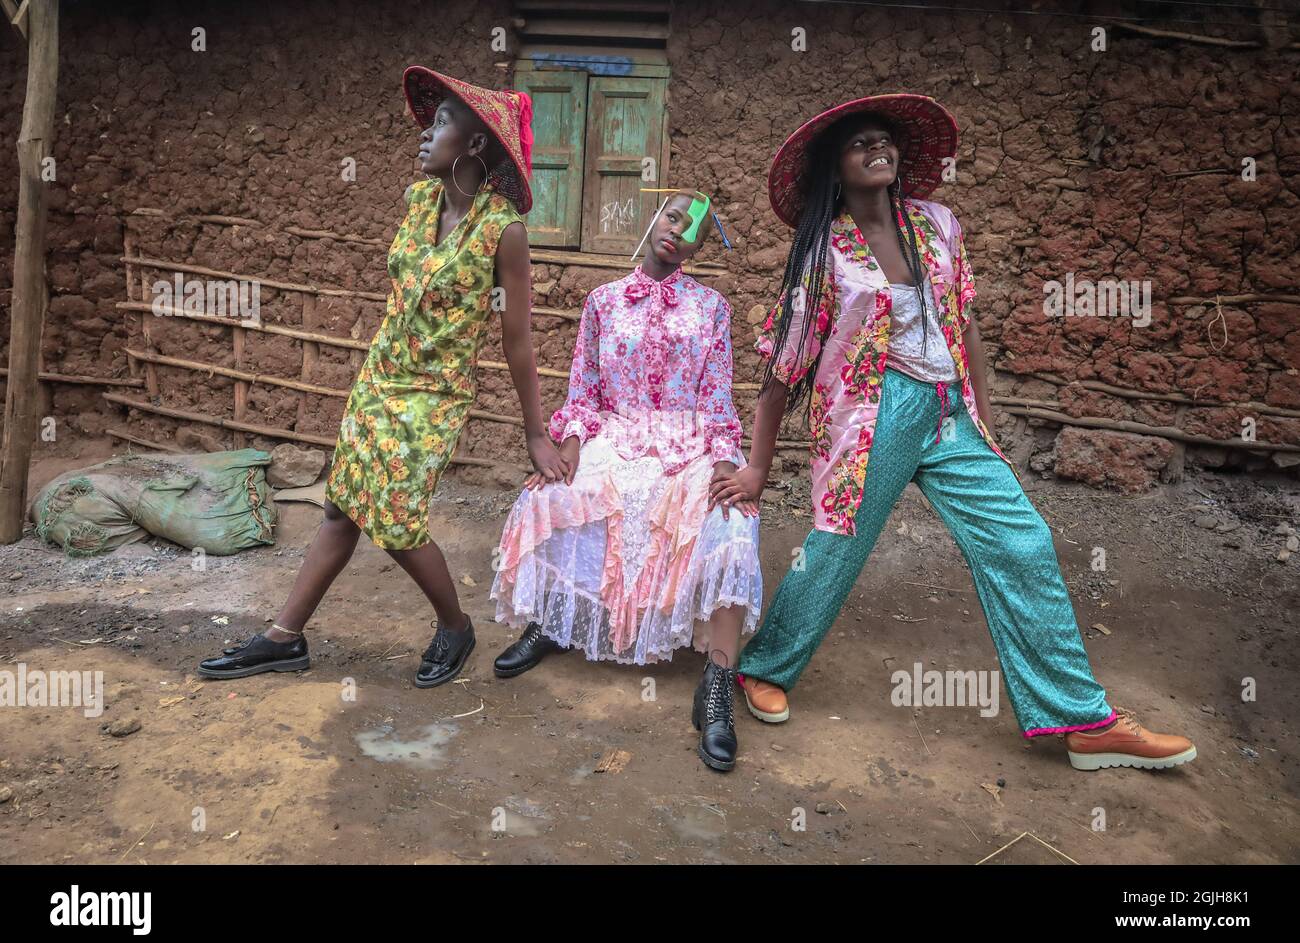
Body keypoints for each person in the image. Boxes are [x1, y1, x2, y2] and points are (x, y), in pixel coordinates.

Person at [709, 94, 1196, 771]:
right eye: (860, 144)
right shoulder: (824, 253)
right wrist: (758, 467)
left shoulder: (937, 225)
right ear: (836, 167)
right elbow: (783, 369)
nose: (878, 150)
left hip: (949, 410)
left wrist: (984, 424)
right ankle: (763, 665)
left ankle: (1082, 720)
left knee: (1023, 538)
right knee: (834, 548)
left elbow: (964, 324)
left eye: (885, 140)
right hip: (874, 415)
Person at [197, 66, 568, 688]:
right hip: (380, 378)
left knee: (394, 516)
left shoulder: (504, 232)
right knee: (342, 509)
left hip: (434, 395)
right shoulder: (419, 199)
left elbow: (518, 341)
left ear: (476, 145)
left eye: (443, 122)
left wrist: (536, 432)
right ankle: (283, 639)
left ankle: (455, 625)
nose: (427, 132)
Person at [491, 190, 763, 772]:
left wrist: (723, 462)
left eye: (693, 229)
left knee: (733, 523)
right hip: (614, 436)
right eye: (672, 216)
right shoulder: (602, 301)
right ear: (652, 219)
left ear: (698, 246)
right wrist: (569, 446)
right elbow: (585, 393)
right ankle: (554, 621)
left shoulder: (711, 307)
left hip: (687, 444)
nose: (678, 231)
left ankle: (716, 687)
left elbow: (717, 399)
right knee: (551, 495)